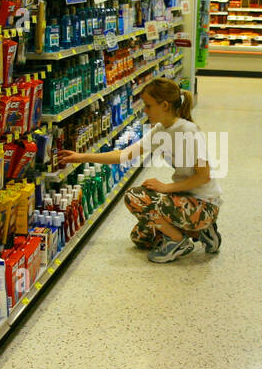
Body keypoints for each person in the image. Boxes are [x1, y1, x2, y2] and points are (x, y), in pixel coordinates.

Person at [57, 78, 221, 263]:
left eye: (149, 106)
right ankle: (198, 231)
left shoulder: (188, 132)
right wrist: (81, 157)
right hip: (184, 198)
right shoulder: (161, 130)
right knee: (140, 238)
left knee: (134, 196)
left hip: (204, 203)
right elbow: (124, 155)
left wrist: (166, 187)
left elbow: (203, 177)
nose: (145, 110)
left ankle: (180, 240)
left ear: (165, 105)